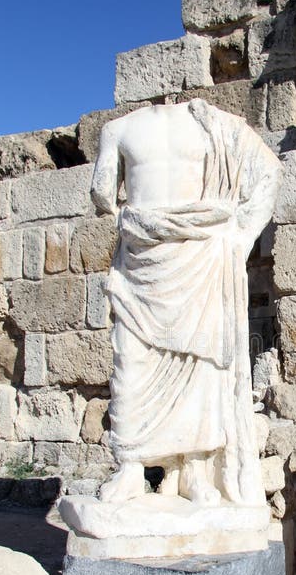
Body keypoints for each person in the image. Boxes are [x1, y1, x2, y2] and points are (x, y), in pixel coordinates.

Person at [90, 99, 280, 507]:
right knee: (138, 360)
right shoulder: (217, 125)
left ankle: (183, 470)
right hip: (157, 265)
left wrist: (239, 237)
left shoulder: (118, 128)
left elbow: (102, 194)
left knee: (189, 364)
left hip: (195, 257)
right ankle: (138, 467)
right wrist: (239, 233)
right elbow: (269, 171)